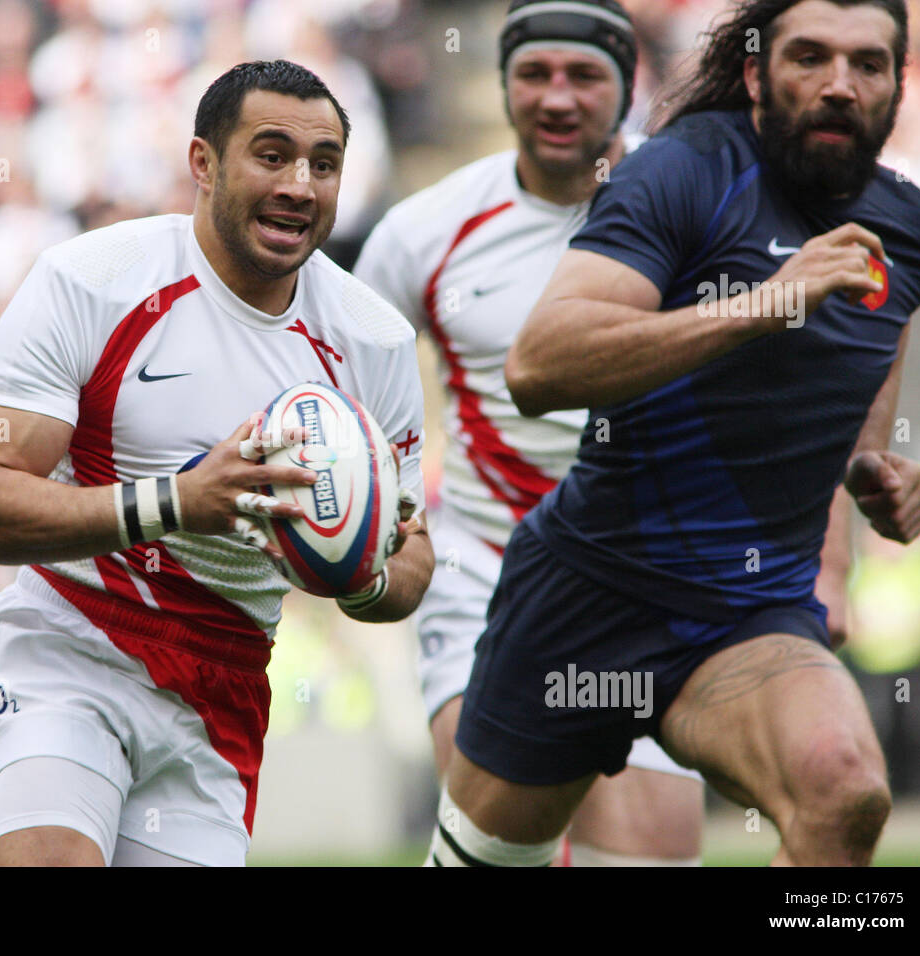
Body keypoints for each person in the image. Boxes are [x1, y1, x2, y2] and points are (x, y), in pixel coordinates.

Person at [432, 0, 920, 867]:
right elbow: (539, 364)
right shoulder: (680, 173)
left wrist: (870, 477)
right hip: (587, 599)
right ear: (755, 72)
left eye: (868, 64)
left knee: (845, 791)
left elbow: (867, 381)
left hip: (749, 615)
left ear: (900, 83)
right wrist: (767, 303)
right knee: (483, 862)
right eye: (810, 57)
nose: (838, 85)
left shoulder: (914, 230)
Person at [0, 59, 433, 867]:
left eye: (325, 164)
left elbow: (412, 557)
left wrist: (356, 565)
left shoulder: (373, 341)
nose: (301, 186)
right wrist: (175, 502)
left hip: (220, 692)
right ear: (202, 164)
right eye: (272, 155)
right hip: (71, 644)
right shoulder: (94, 281)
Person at [357, 0, 721, 866]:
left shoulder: (699, 215)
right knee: (496, 847)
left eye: (584, 74)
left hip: (640, 583)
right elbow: (344, 387)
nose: (557, 98)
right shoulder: (424, 228)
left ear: (627, 85)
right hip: (484, 564)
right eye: (534, 73)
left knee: (644, 857)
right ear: (503, 83)